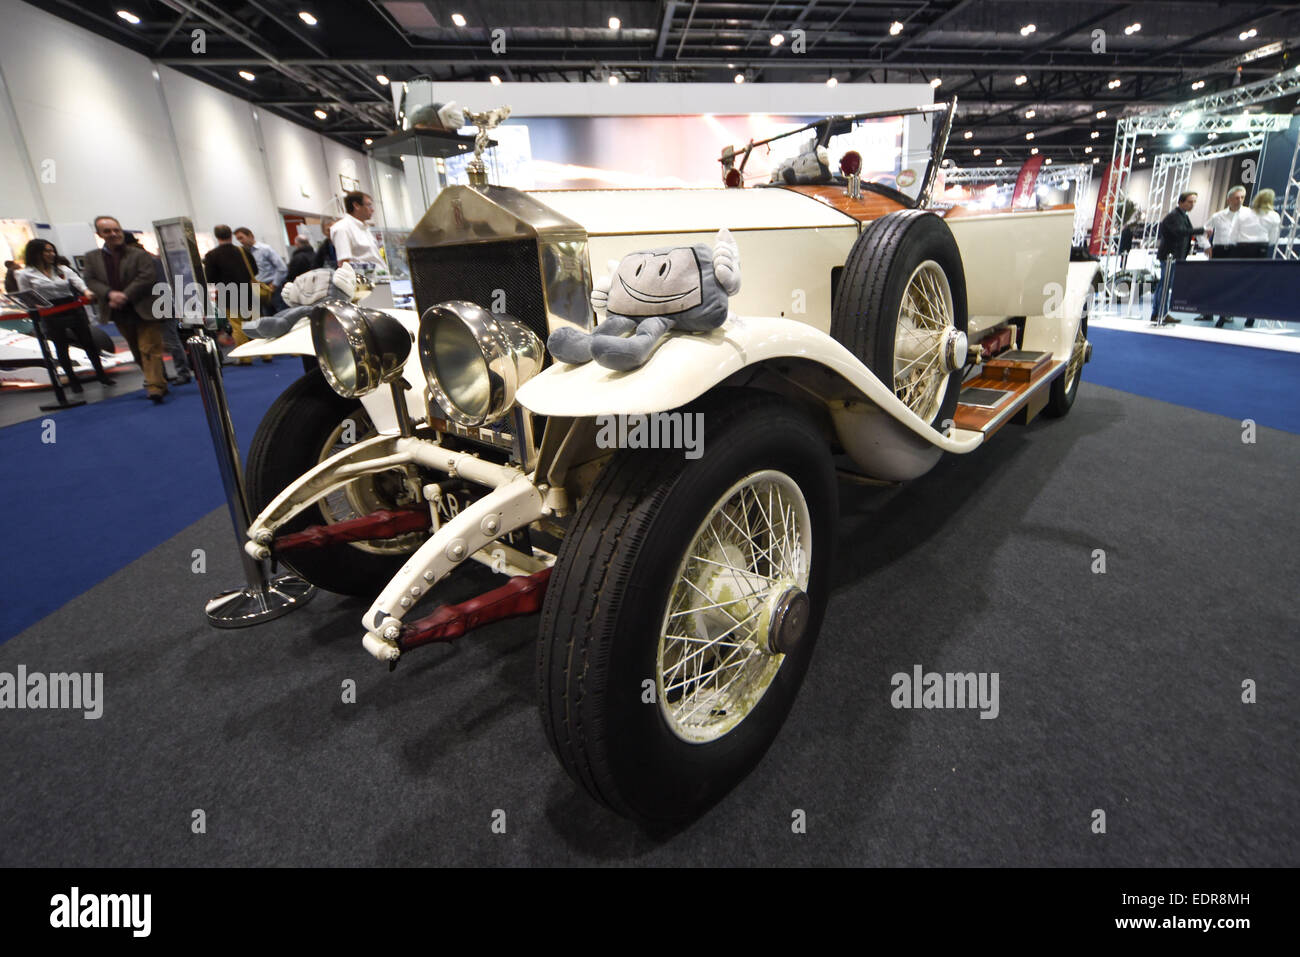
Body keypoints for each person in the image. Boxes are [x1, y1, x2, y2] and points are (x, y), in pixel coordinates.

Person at [82, 216, 168, 403]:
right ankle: (158, 380)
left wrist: (124, 295)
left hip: (145, 309)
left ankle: (155, 387)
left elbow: (147, 277)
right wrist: (110, 294)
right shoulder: (92, 258)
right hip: (119, 312)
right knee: (137, 350)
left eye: (116, 230)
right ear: (99, 234)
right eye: (107, 231)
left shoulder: (139, 254)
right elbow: (90, 280)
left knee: (149, 347)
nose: (113, 234)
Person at [15, 238, 114, 391]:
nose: (51, 254)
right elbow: (25, 295)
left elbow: (78, 283)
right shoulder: (25, 274)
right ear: (36, 253)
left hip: (72, 307)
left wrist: (87, 292)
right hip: (49, 311)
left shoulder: (62, 269)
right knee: (61, 347)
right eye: (47, 251)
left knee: (88, 342)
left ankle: (102, 375)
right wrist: (36, 305)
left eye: (52, 250)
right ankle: (73, 381)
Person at [122, 233, 191, 384]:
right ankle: (166, 375)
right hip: (153, 306)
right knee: (159, 343)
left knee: (168, 341)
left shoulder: (147, 260)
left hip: (158, 305)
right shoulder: (144, 259)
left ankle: (180, 373)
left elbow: (160, 284)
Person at [202, 224, 260, 365]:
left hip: (227, 293)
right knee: (256, 323)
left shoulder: (211, 256)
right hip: (249, 290)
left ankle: (245, 357)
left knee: (237, 326)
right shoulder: (243, 251)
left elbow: (210, 278)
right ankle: (267, 355)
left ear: (217, 236)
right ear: (231, 235)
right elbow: (255, 270)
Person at [1234, 188, 1283, 329]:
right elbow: (1273, 238)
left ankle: (1224, 315)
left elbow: (1234, 233)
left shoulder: (1243, 214)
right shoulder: (1274, 216)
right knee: (1255, 283)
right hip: (1260, 249)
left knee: (1236, 281)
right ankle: (1251, 316)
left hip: (1242, 248)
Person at [1150, 191, 1199, 325]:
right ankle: (1160, 313)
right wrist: (1200, 230)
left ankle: (1159, 313)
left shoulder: (1182, 216)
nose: (1192, 204)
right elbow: (1179, 232)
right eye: (1190, 201)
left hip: (1174, 256)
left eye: (1194, 202)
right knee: (1164, 286)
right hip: (1169, 256)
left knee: (1165, 285)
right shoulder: (1174, 216)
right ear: (1181, 202)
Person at [233, 226, 288, 313]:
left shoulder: (265, 249)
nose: (240, 241)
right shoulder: (244, 253)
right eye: (238, 239)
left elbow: (282, 268)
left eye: (241, 238)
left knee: (282, 313)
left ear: (250, 236)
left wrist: (274, 285)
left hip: (272, 287)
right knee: (266, 317)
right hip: (257, 288)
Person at [330, 192, 384, 268]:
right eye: (369, 205)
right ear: (356, 205)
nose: (372, 210)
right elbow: (344, 265)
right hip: (365, 279)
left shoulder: (364, 228)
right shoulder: (342, 228)